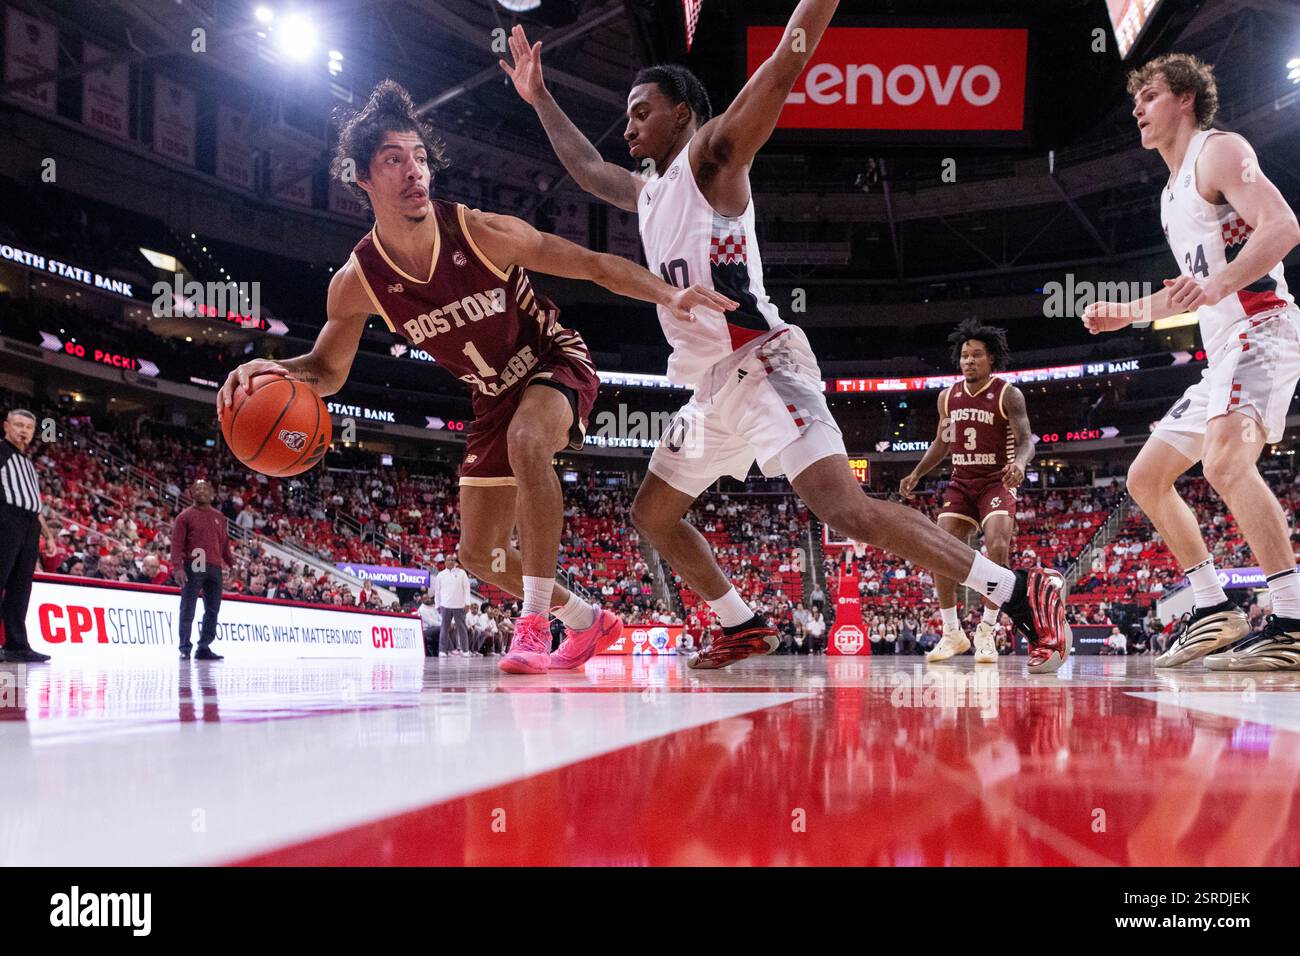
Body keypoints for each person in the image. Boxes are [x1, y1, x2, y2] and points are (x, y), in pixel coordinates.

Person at [503, 2, 1069, 672]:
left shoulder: (713, 158)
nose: (627, 125)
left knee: (844, 509)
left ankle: (1021, 592)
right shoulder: (649, 192)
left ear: (681, 113)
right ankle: (742, 624)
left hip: (763, 362)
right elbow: (588, 172)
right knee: (652, 513)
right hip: (712, 387)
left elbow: (784, 65)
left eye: (640, 111)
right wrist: (539, 97)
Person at [217, 80, 733, 675]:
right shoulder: (356, 281)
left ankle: (534, 623)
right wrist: (272, 369)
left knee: (529, 440)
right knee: (481, 555)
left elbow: (593, 266)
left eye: (419, 157)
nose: (414, 172)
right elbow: (328, 373)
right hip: (492, 395)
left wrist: (672, 294)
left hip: (552, 359)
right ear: (362, 178)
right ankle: (590, 621)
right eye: (393, 160)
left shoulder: (481, 232)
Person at [1086, 53, 1300, 670]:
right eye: (1136, 100)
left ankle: (1288, 618)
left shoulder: (1220, 151)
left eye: (1148, 96)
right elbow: (1193, 286)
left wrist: (1220, 284)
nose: (1137, 109)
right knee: (1145, 478)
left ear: (1184, 98)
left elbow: (1282, 227)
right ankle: (1213, 610)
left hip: (1262, 327)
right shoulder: (1170, 194)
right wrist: (1128, 311)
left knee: (1226, 462)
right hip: (1224, 345)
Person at [899, 320, 1033, 666]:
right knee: (939, 549)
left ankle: (987, 630)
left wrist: (1019, 463)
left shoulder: (1008, 393)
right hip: (961, 482)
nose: (968, 361)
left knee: (998, 546)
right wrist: (916, 473)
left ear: (991, 359)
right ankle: (952, 632)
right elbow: (942, 443)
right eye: (964, 355)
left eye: (976, 355)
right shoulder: (948, 397)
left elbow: (1026, 441)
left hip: (996, 480)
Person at [0, 409, 52, 663]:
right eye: (18, 425)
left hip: (30, 525)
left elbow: (34, 502)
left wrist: (48, 534)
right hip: (6, 520)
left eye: (29, 427)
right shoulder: (1, 453)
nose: (23, 431)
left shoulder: (28, 463)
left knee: (21, 588)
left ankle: (16, 645)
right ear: (6, 426)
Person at [170, 479, 232, 661]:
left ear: (212, 492)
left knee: (213, 609)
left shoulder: (219, 516)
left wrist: (231, 562)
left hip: (214, 565)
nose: (201, 491)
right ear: (190, 492)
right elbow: (176, 544)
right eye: (197, 488)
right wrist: (178, 567)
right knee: (188, 607)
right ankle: (185, 648)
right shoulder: (184, 516)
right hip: (195, 562)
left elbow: (224, 543)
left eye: (205, 488)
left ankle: (204, 646)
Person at [434, 555, 471, 656]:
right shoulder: (440, 575)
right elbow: (437, 591)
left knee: (462, 629)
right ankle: (442, 650)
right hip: (445, 605)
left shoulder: (462, 573)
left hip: (459, 606)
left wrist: (467, 603)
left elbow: (467, 589)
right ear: (445, 562)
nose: (450, 561)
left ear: (455, 562)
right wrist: (437, 605)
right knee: (444, 628)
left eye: (452, 560)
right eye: (448, 560)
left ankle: (465, 650)